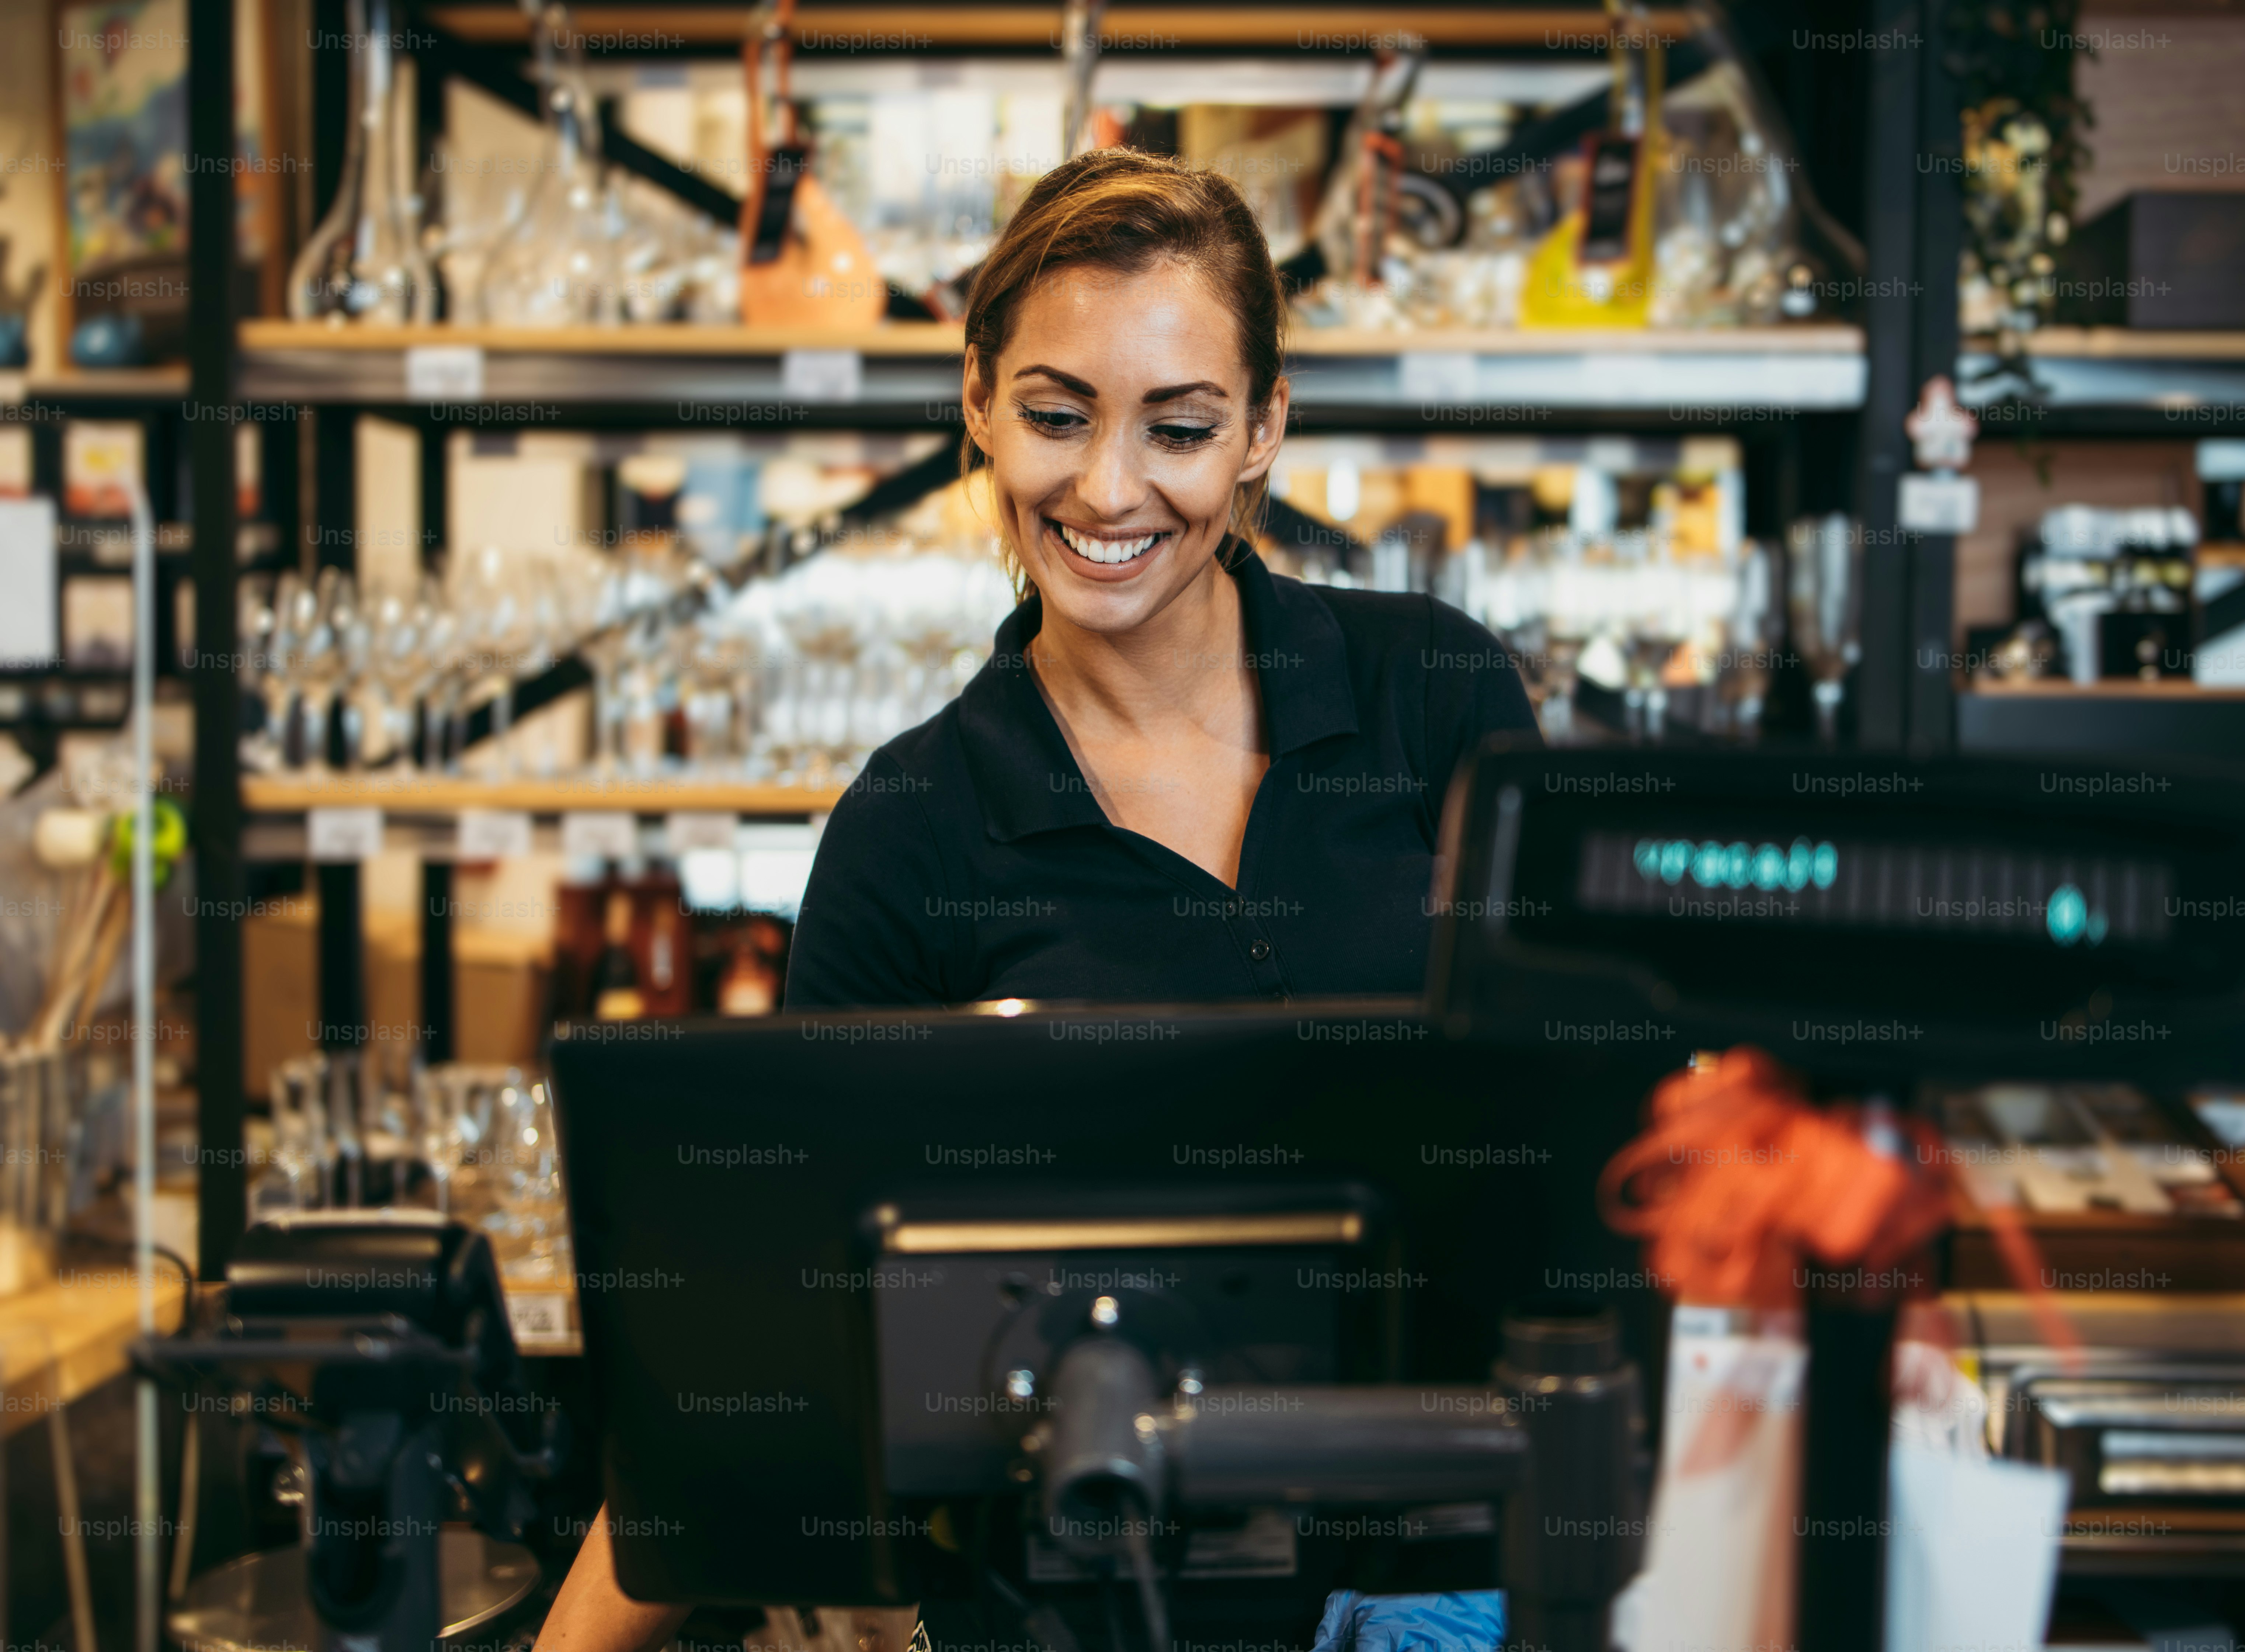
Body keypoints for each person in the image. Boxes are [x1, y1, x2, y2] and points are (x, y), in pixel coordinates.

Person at [537, 147, 1533, 1652]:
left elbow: (1566, 1138)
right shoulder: (910, 827)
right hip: (1075, 1602)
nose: (1109, 488)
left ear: (1266, 425)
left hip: (1440, 1578)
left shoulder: (1436, 692)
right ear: (980, 405)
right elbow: (785, 1334)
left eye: (1181, 426)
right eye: (1057, 416)